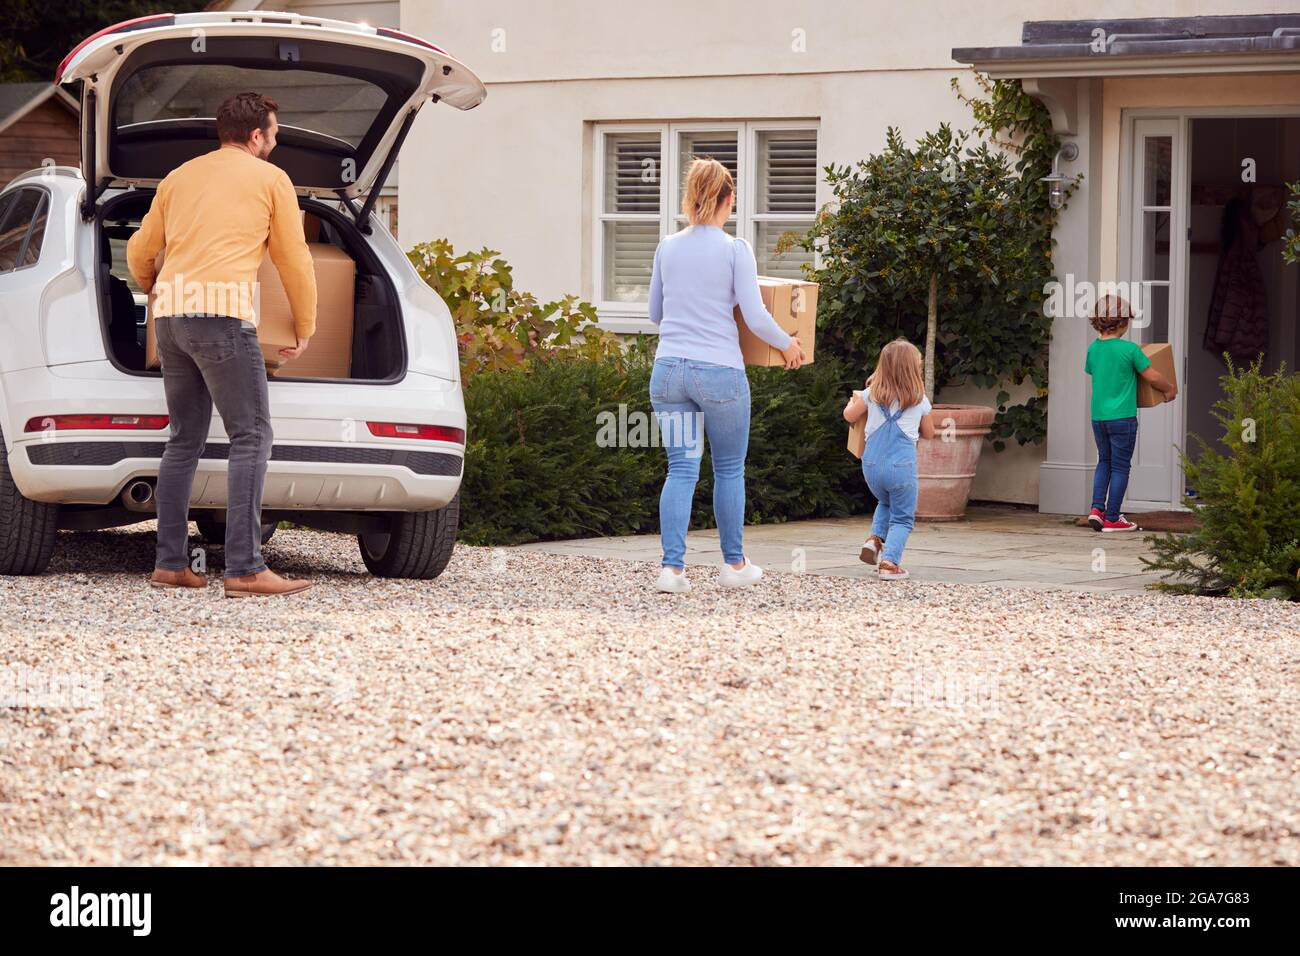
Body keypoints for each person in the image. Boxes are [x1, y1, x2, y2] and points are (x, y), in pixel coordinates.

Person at [128, 92, 316, 597]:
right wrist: (306, 324)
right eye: (273, 134)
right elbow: (293, 258)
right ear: (256, 136)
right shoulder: (270, 180)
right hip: (222, 318)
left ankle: (171, 563)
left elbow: (140, 249)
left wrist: (153, 285)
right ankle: (245, 568)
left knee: (183, 439)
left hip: (168, 316)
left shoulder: (179, 176)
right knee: (251, 436)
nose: (275, 143)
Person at [647, 157, 805, 593]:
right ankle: (734, 565)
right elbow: (754, 316)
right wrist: (788, 344)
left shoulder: (666, 247)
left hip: (668, 372)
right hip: (718, 373)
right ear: (727, 199)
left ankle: (671, 570)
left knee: (680, 469)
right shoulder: (735, 250)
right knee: (729, 468)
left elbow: (655, 313)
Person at [843, 338, 935, 581]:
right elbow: (930, 432)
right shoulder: (919, 398)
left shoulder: (870, 393)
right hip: (901, 469)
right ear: (913, 369)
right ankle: (889, 563)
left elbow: (848, 415)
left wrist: (852, 402)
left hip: (871, 467)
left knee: (886, 501)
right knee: (903, 517)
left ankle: (874, 540)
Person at [1084, 295, 1177, 532]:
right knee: (1120, 467)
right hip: (1122, 418)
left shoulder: (1093, 349)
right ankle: (1113, 517)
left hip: (1098, 418)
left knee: (1103, 461)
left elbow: (1097, 374)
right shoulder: (1129, 349)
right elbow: (1152, 376)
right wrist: (1169, 390)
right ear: (1123, 323)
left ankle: (1096, 509)